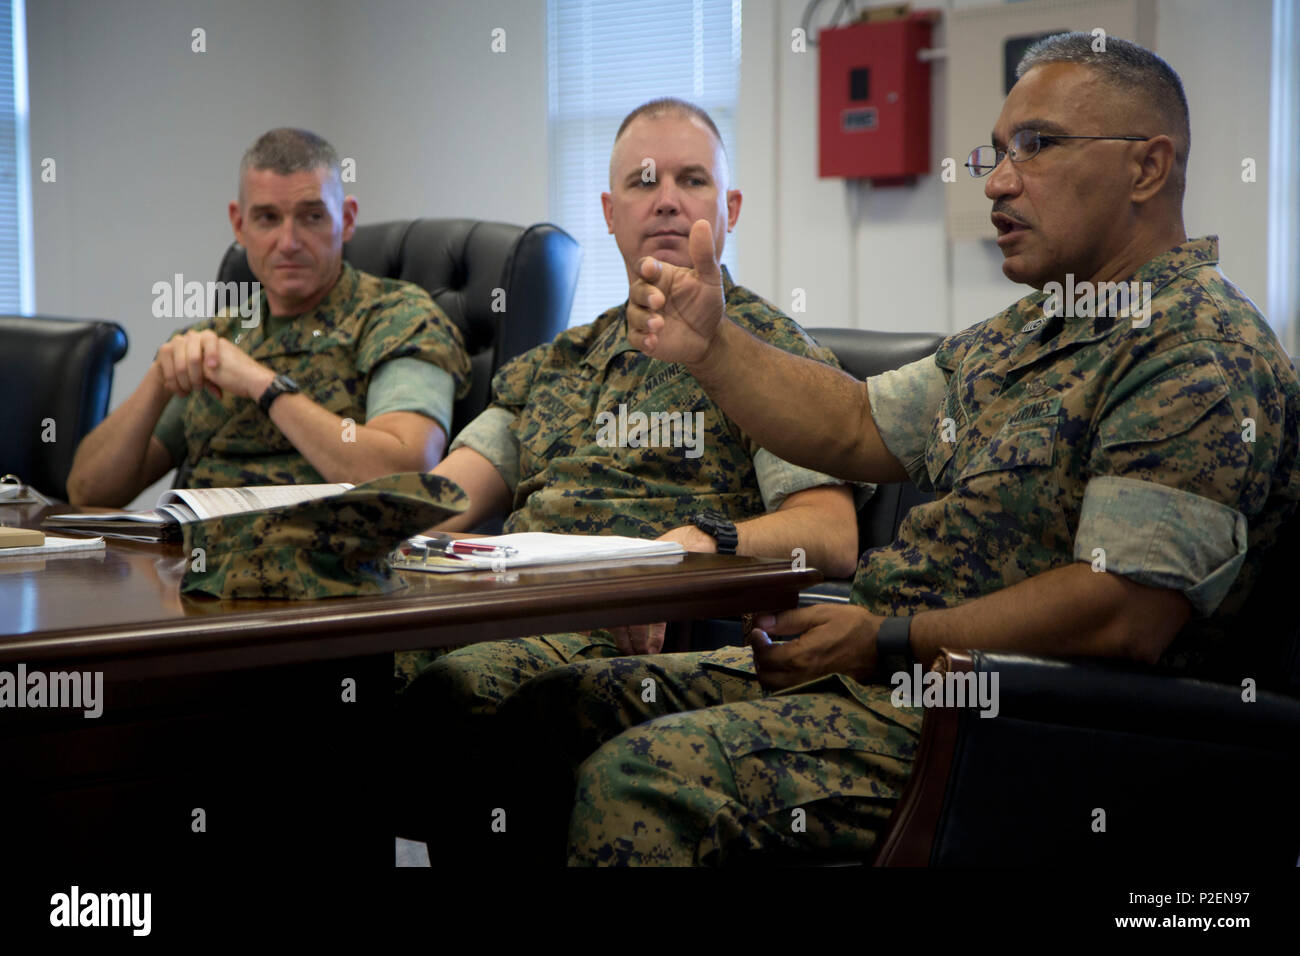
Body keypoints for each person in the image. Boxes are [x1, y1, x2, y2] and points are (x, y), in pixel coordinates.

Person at [484, 34, 1300, 865]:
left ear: (1147, 168)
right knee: (549, 712)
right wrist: (714, 348)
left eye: (1037, 145)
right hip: (890, 675)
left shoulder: (1195, 348)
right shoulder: (1026, 332)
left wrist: (888, 637)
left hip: (1014, 729)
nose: (999, 180)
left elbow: (1122, 610)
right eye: (997, 152)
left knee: (641, 781)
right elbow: (853, 425)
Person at [396, 98, 860, 852]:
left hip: (624, 631)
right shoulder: (556, 361)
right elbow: (440, 499)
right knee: (324, 682)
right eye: (644, 182)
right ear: (610, 213)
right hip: (500, 602)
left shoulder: (767, 353)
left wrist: (696, 545)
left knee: (457, 693)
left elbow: (830, 533)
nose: (668, 200)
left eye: (692, 180)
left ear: (730, 209)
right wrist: (331, 532)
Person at [66, 128, 470, 505]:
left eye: (312, 217)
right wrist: (158, 379)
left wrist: (262, 385)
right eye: (268, 218)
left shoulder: (398, 319)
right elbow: (88, 492)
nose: (288, 242)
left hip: (325, 552)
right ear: (239, 225)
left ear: (346, 220)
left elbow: (405, 476)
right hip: (194, 552)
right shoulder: (215, 338)